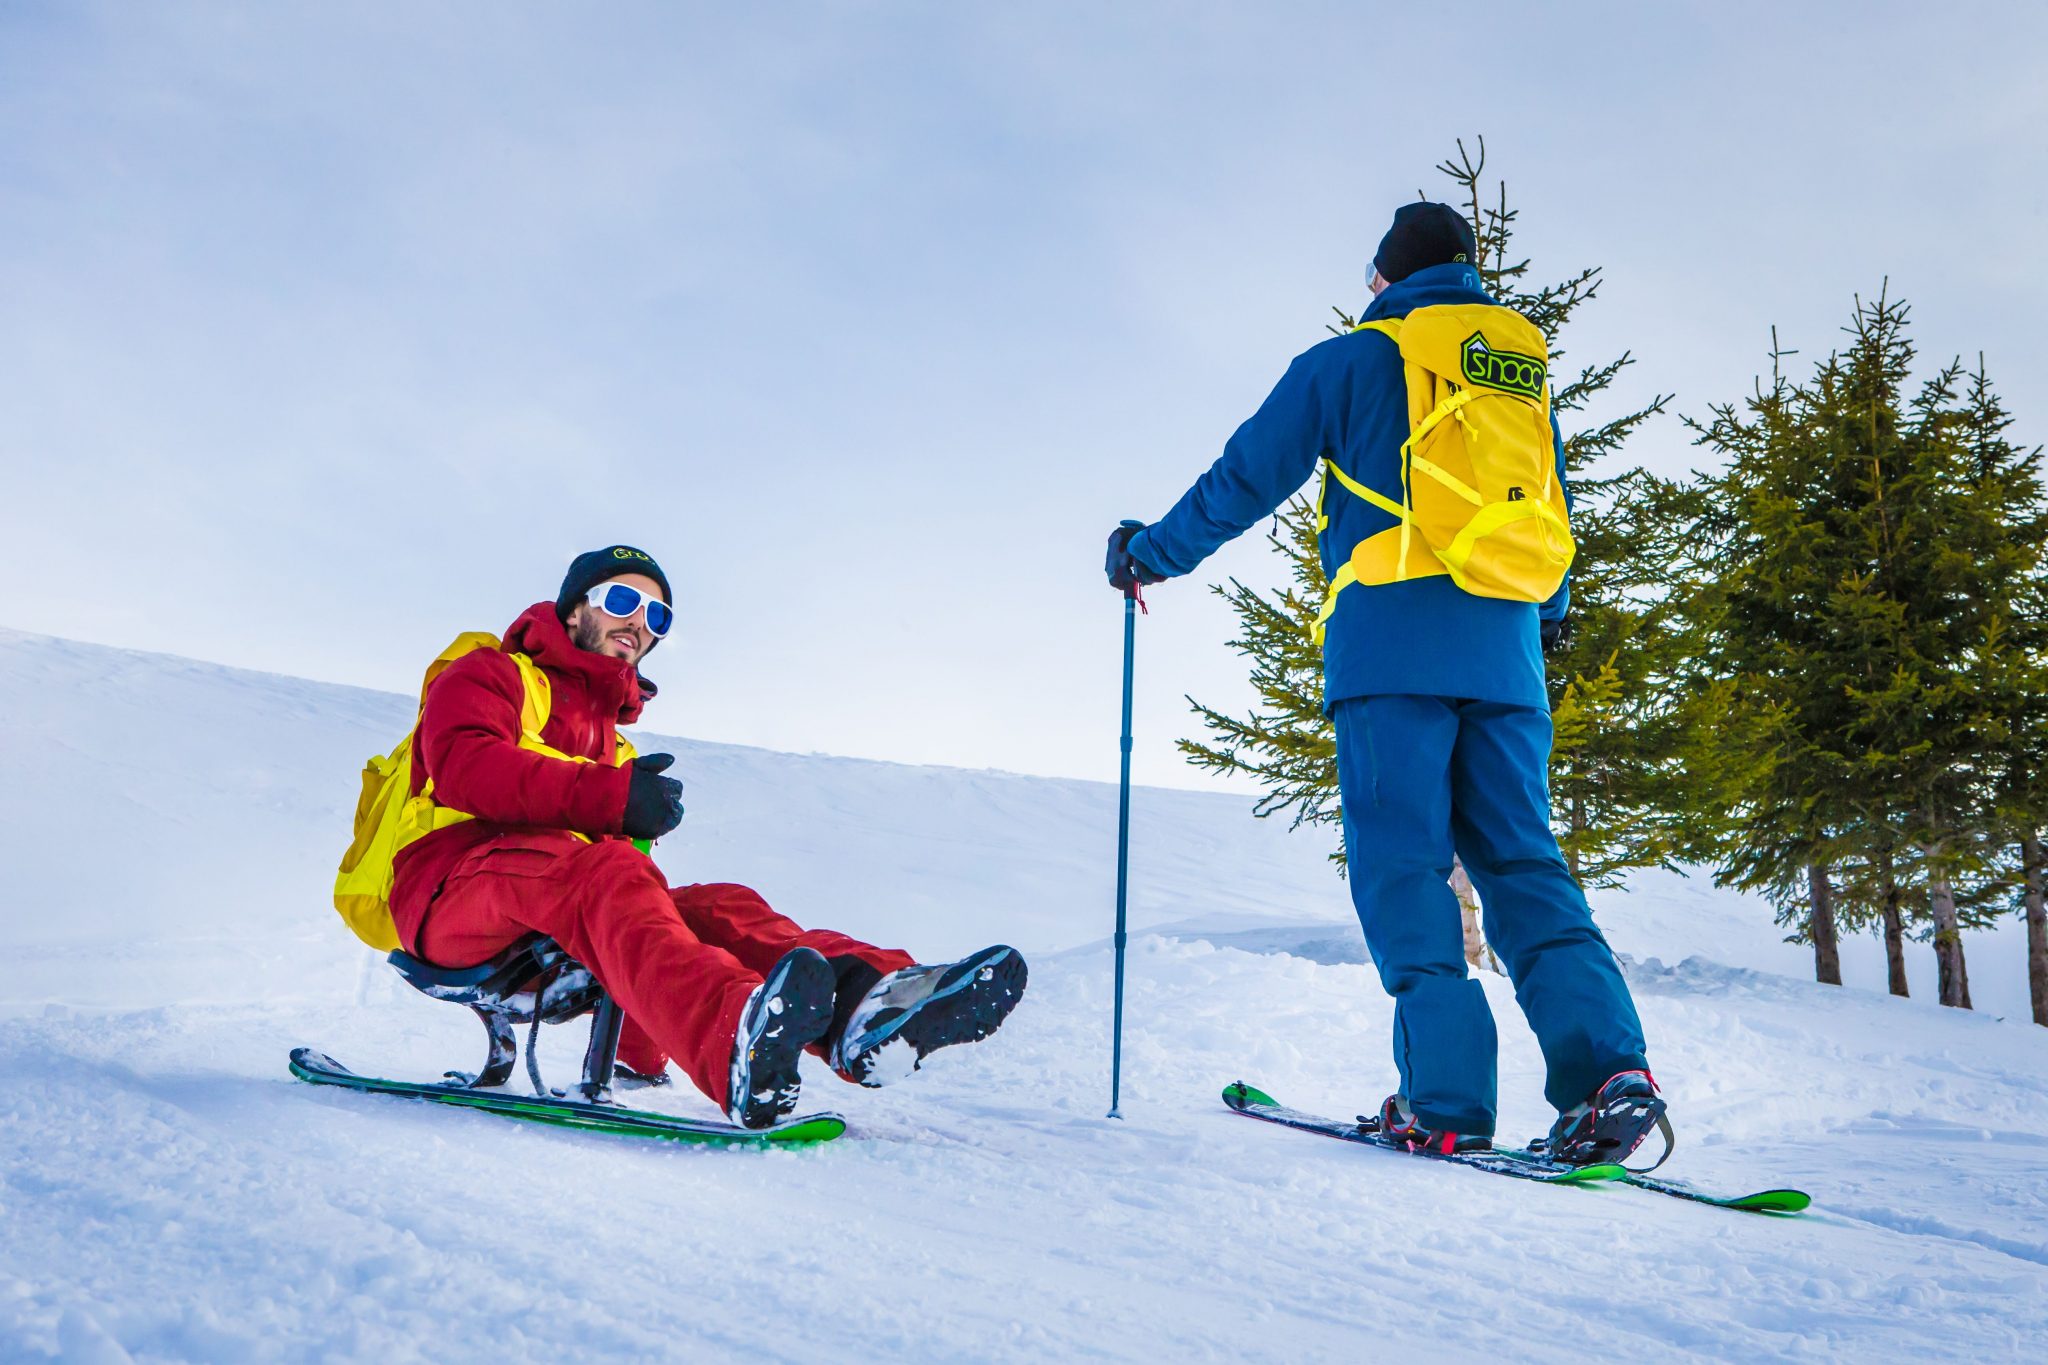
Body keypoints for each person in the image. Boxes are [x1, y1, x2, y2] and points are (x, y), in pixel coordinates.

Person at [1105, 203, 1664, 1165]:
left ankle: (1446, 1100)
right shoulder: (1515, 376)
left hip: (1390, 654)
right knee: (1525, 864)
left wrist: (1146, 554)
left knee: (1404, 869)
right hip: (1507, 656)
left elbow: (1244, 479)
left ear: (1387, 276)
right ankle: (1612, 1077)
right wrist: (1531, 628)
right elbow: (1550, 514)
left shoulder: (1353, 360)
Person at [391, 544, 1027, 1128]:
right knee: (605, 871)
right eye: (622, 599)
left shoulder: (614, 746)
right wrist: (614, 798)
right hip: (447, 894)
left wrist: (641, 1051)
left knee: (719, 905)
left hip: (545, 926)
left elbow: (634, 918)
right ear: (576, 607)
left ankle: (869, 1005)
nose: (639, 623)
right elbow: (464, 766)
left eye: (657, 616)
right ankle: (734, 1048)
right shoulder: (490, 673)